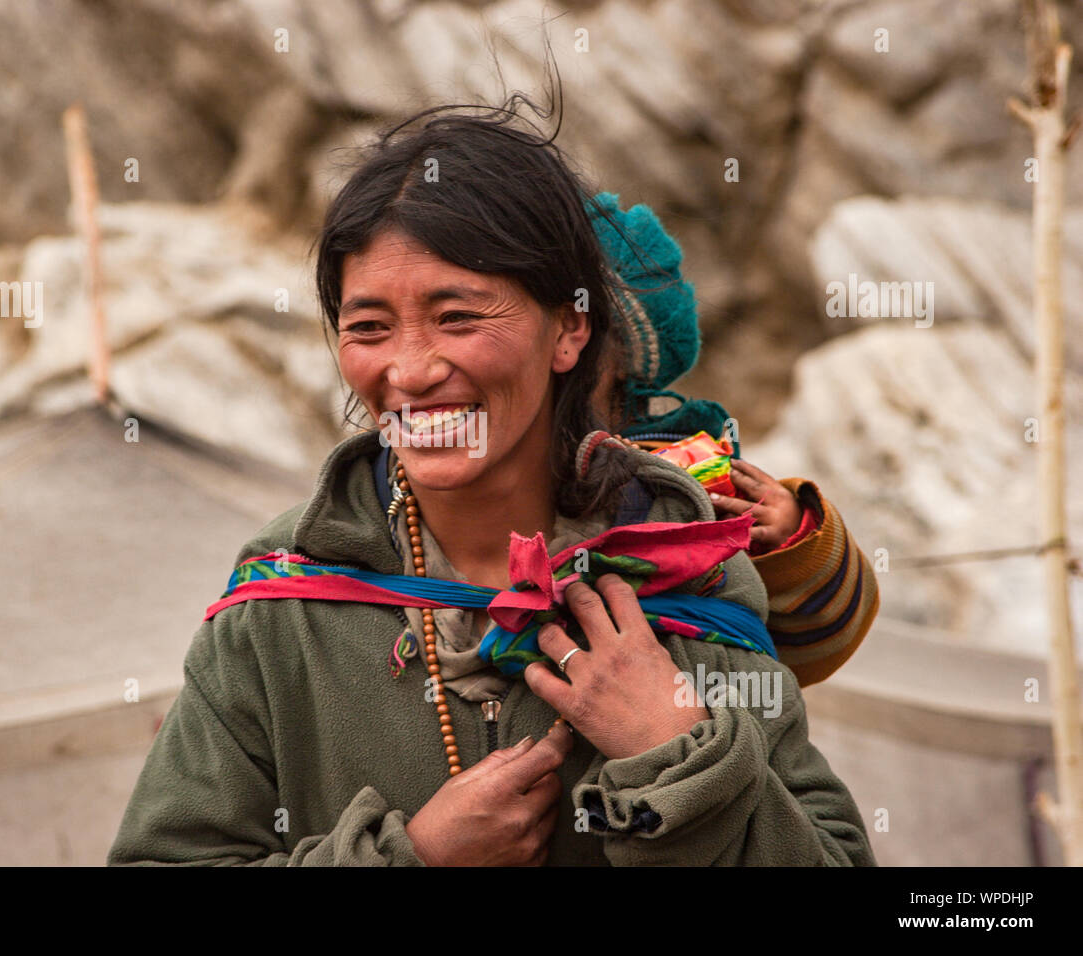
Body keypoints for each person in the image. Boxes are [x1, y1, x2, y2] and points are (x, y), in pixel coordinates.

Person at [108, 100, 877, 866]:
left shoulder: (677, 573)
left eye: (458, 316)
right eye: (368, 327)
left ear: (571, 329)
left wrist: (676, 758)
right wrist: (414, 858)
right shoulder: (288, 605)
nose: (409, 370)